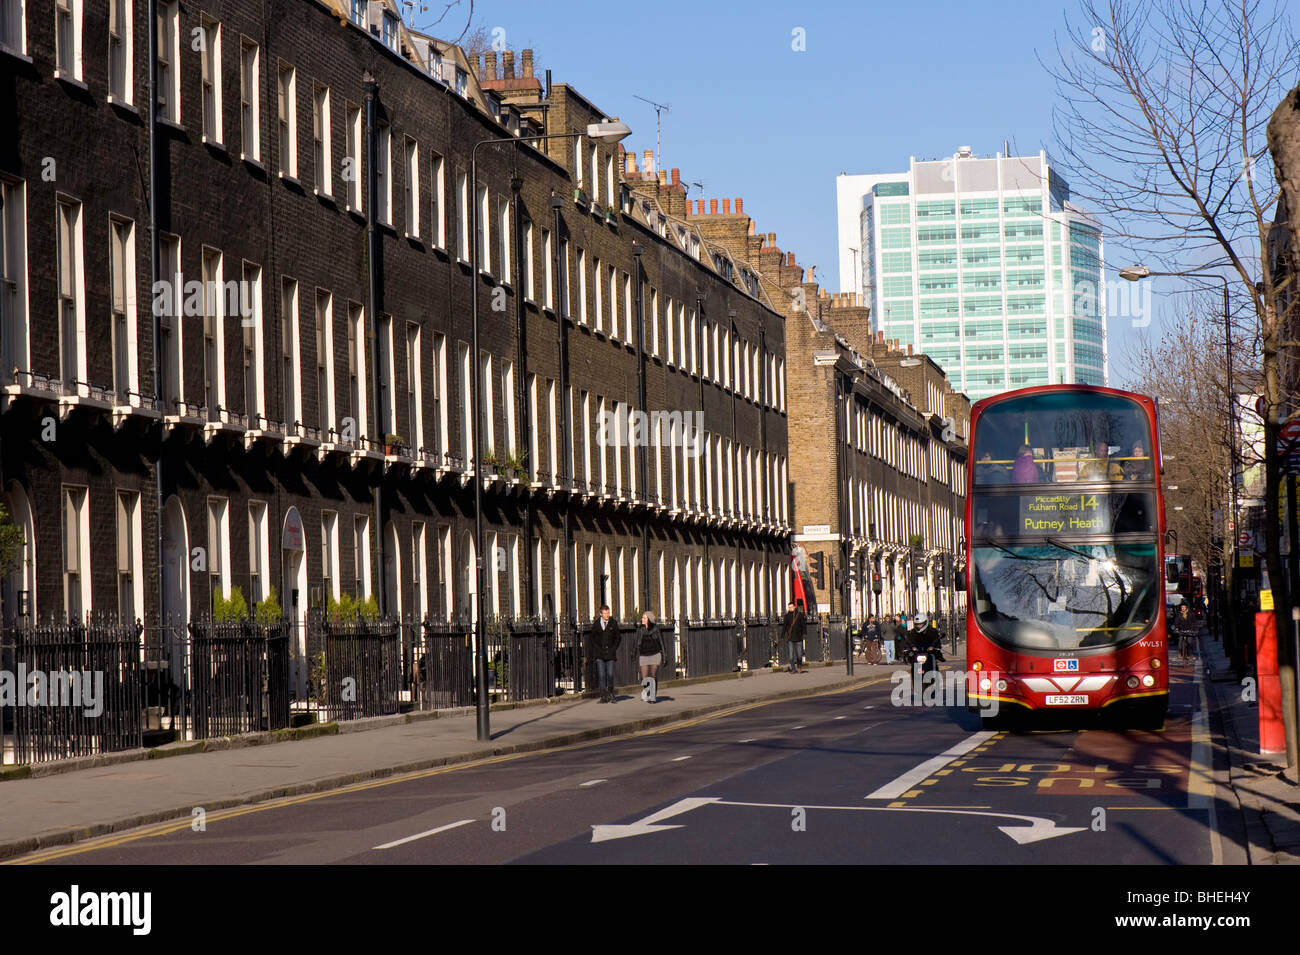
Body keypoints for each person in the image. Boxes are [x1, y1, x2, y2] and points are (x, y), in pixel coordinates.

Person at [588, 604, 621, 703]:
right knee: (602, 676)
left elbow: (618, 638)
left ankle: (610, 692)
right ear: (600, 614)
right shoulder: (596, 624)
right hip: (600, 654)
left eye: (608, 613)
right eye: (605, 613)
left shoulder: (613, 623)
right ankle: (603, 696)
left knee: (610, 674)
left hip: (610, 654)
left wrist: (614, 648)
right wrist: (597, 649)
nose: (607, 615)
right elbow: (592, 638)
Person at [635, 610, 666, 701]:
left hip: (655, 655)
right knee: (644, 677)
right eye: (642, 618)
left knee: (653, 676)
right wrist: (633, 654)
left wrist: (665, 656)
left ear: (649, 619)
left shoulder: (656, 629)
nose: (642, 619)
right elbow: (636, 642)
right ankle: (648, 691)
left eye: (644, 618)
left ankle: (652, 696)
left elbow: (661, 642)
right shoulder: (640, 629)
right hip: (644, 655)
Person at [782, 600, 806, 673]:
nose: (790, 608)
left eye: (791, 607)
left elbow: (803, 625)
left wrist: (804, 633)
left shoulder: (799, 615)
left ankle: (799, 666)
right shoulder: (786, 616)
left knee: (799, 655)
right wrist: (782, 635)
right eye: (789, 607)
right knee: (791, 656)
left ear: (794, 607)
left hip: (798, 638)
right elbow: (785, 626)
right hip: (790, 639)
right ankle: (793, 668)